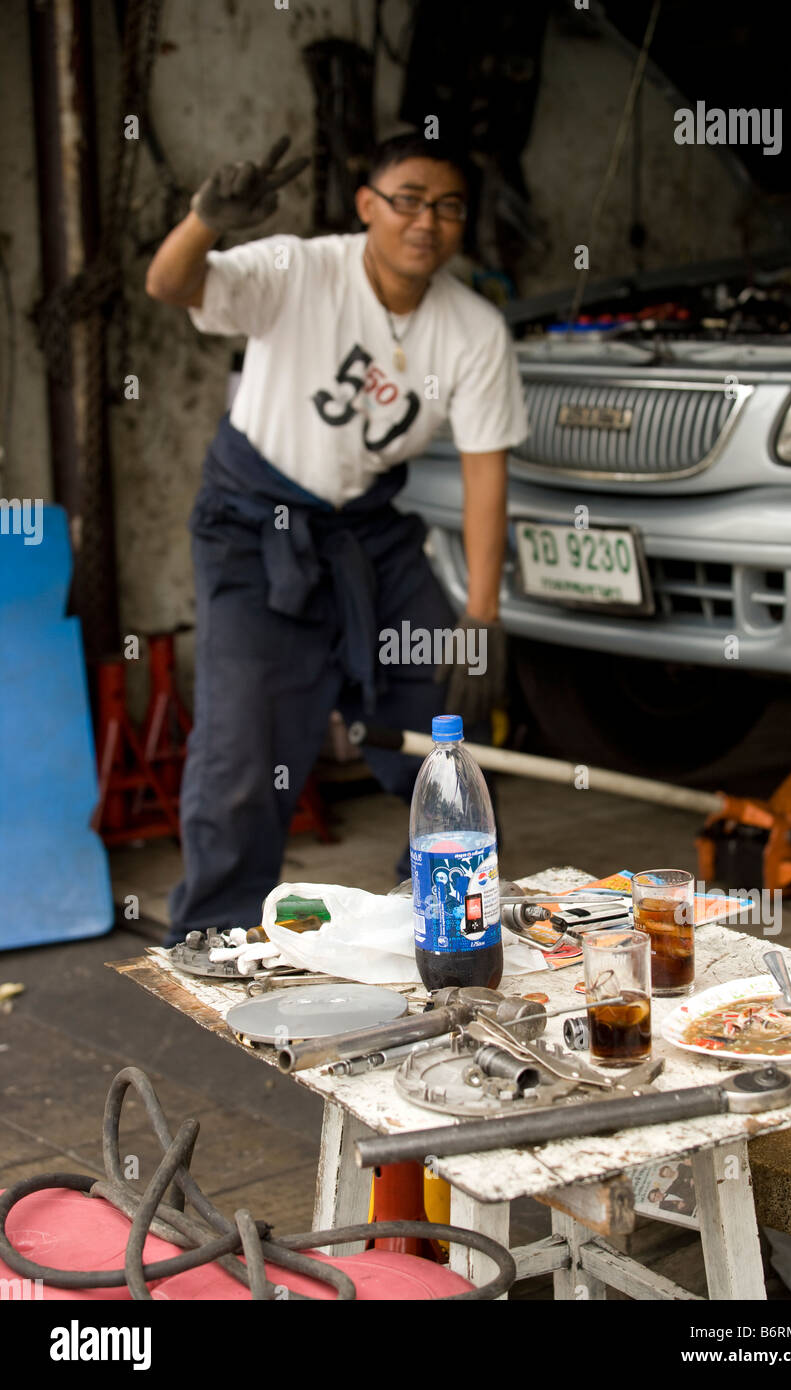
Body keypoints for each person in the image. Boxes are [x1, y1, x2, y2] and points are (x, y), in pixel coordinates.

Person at [146, 130, 528, 945]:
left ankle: (440, 916)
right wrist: (206, 221)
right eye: (409, 200)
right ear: (368, 206)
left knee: (442, 719)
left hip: (366, 535)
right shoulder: (300, 267)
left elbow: (484, 471)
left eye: (449, 207)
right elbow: (170, 282)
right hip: (252, 528)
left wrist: (483, 620)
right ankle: (215, 936)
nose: (427, 221)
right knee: (245, 748)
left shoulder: (473, 330)